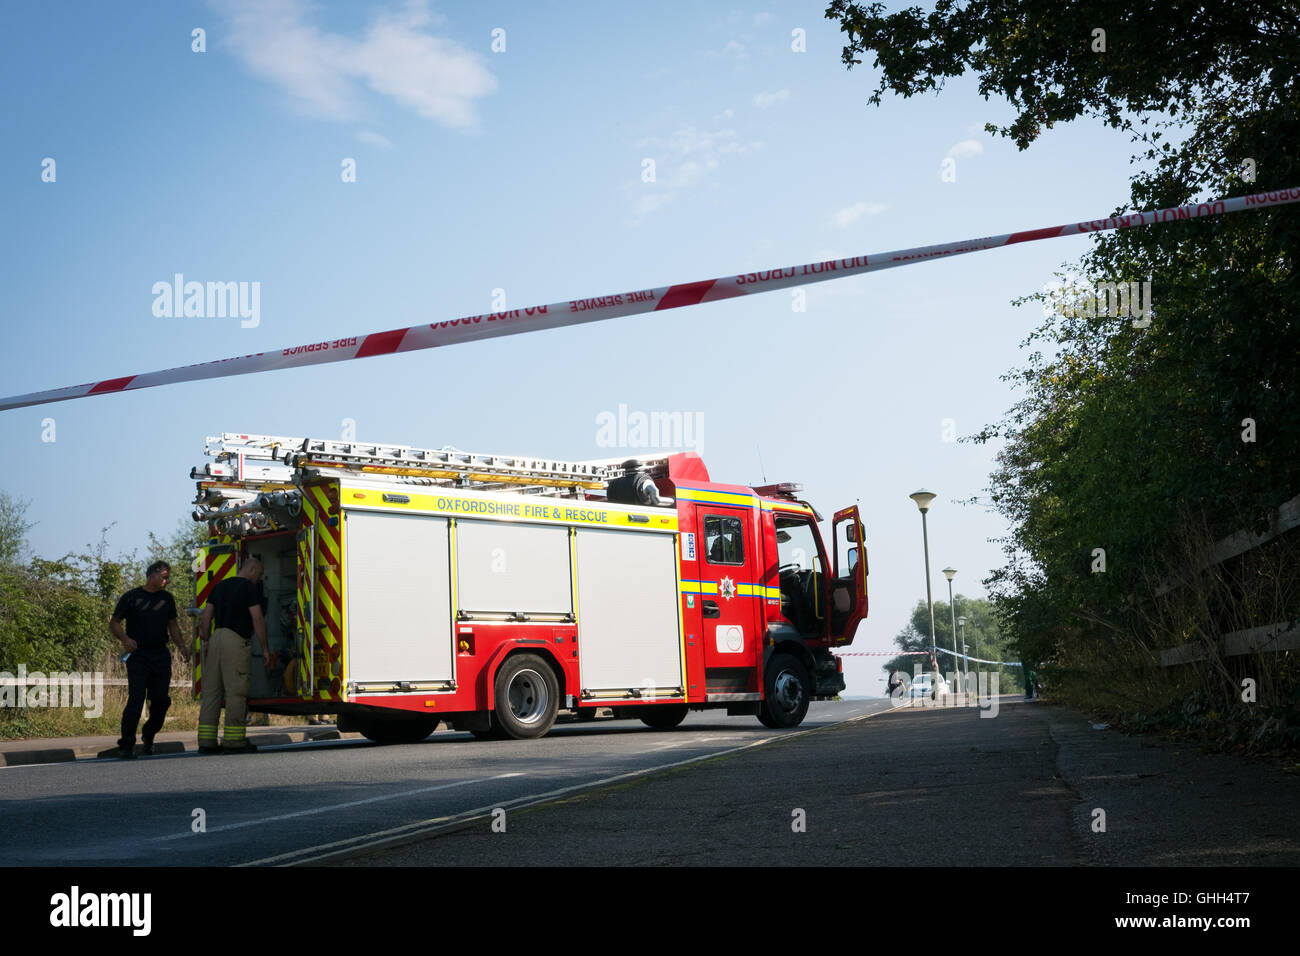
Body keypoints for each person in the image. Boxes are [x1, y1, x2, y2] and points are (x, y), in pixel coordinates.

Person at [107, 560, 191, 759]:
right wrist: (125, 639)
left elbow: (173, 625)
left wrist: (181, 646)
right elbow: (114, 622)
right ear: (152, 575)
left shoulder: (167, 599)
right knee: (136, 700)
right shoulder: (131, 597)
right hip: (138, 656)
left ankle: (149, 734)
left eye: (167, 577)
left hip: (160, 655)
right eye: (164, 577)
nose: (167, 580)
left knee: (161, 701)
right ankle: (126, 745)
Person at [196, 554, 277, 753]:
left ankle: (206, 742)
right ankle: (234, 741)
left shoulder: (219, 586)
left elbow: (206, 616)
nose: (260, 577)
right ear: (251, 569)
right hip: (236, 641)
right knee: (236, 692)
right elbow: (257, 618)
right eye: (260, 573)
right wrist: (265, 648)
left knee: (212, 693)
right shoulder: (249, 588)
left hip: (216, 639)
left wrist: (206, 640)